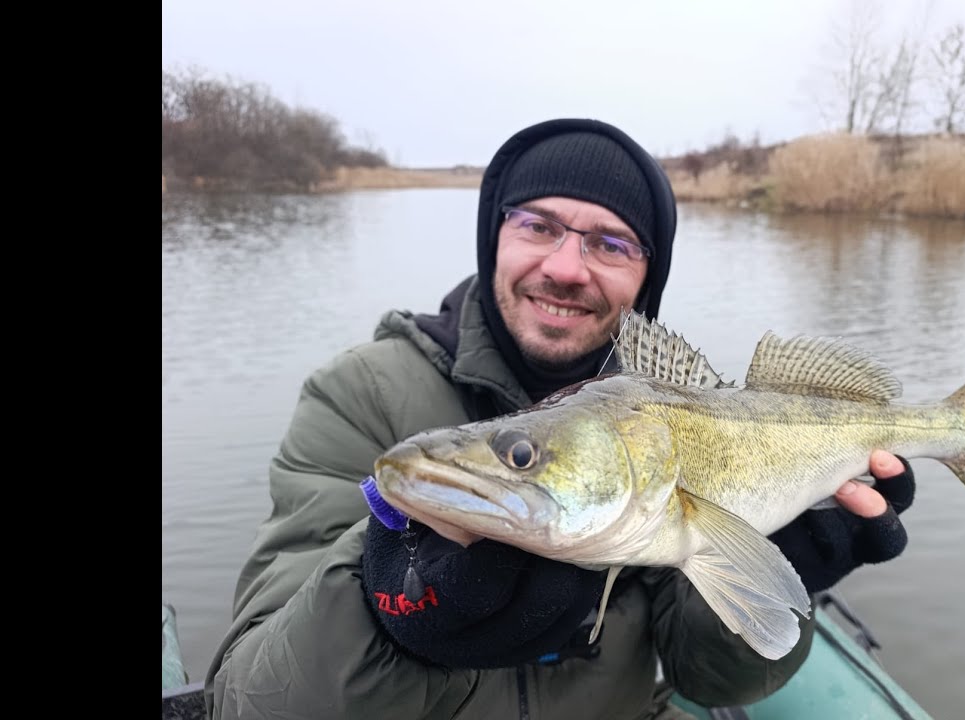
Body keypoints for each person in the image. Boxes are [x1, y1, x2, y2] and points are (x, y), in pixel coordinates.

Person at [203, 118, 917, 720]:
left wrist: (785, 570)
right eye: (539, 225)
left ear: (648, 277)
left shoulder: (665, 428)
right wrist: (389, 613)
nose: (569, 267)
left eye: (611, 243)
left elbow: (715, 681)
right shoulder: (358, 395)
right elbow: (248, 702)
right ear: (495, 236)